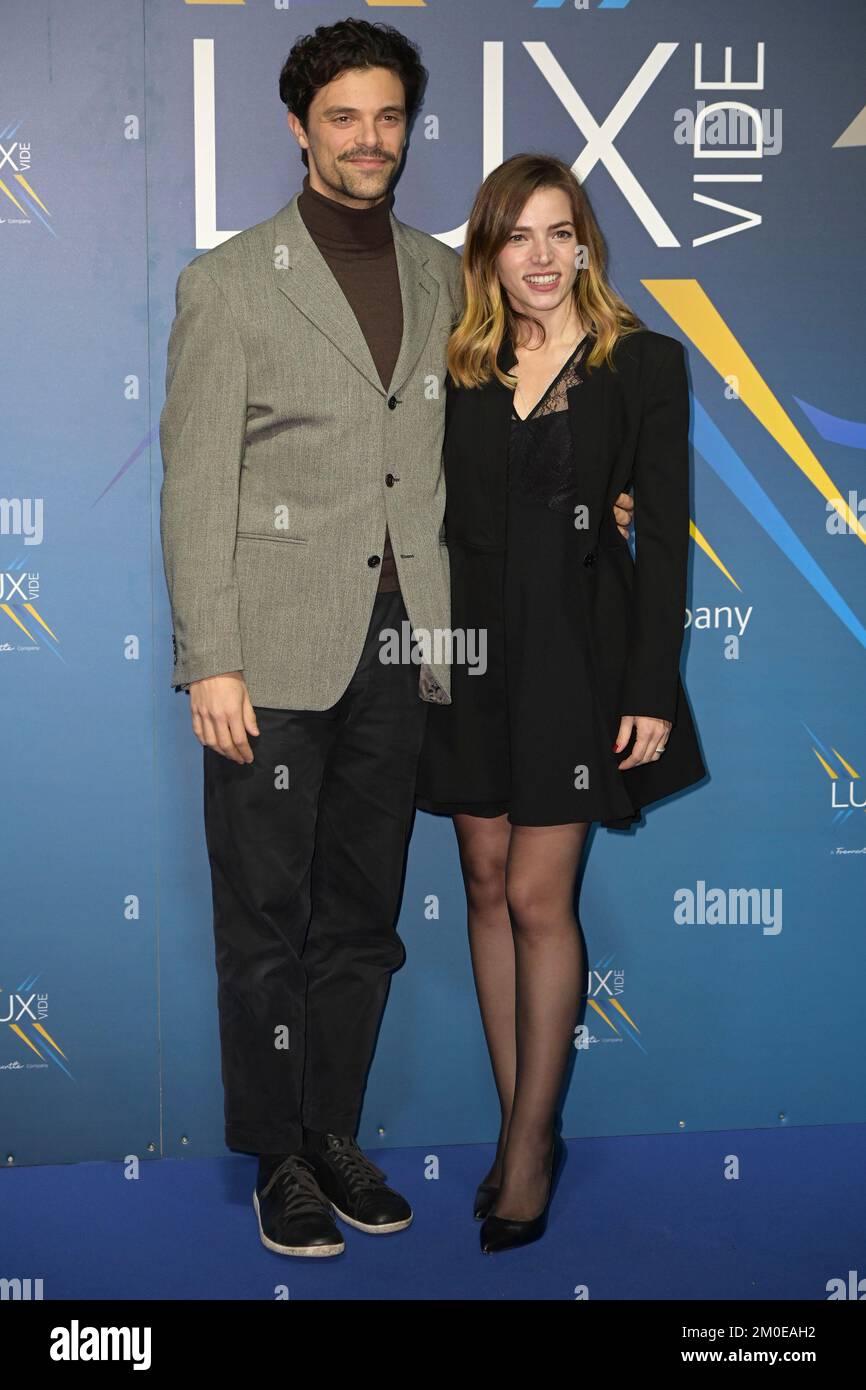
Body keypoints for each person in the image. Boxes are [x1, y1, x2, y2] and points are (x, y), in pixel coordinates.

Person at [159, 18, 635, 1260]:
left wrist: (611, 485)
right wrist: (209, 654)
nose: (369, 140)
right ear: (298, 127)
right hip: (264, 656)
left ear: (405, 127)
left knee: (361, 918)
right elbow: (194, 483)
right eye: (342, 118)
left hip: (409, 651)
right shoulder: (226, 282)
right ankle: (275, 1155)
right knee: (265, 917)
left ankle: (329, 1130)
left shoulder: (445, 278)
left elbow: (511, 421)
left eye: (388, 118)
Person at [415, 153, 707, 1254]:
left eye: (559, 233)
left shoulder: (643, 364)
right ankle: (512, 1120)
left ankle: (532, 1144)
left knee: (540, 897)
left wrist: (648, 687)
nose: (539, 257)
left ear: (584, 244)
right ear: (486, 250)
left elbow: (663, 537)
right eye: (516, 235)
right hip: (465, 652)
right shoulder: (454, 363)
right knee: (484, 885)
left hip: (577, 660)